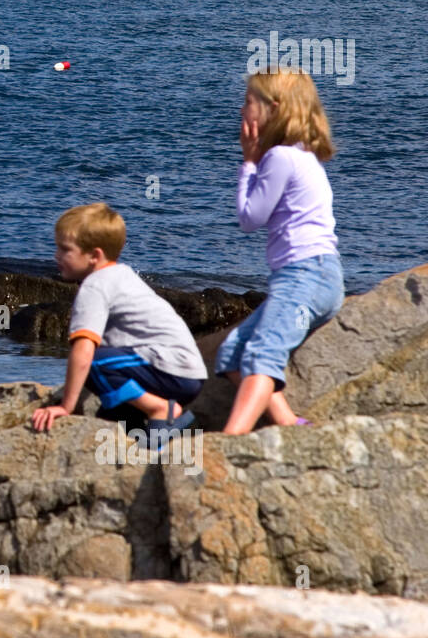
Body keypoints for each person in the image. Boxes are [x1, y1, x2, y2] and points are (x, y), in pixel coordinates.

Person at [218, 68, 345, 434]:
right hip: (316, 275)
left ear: (273, 108)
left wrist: (249, 162)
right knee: (231, 355)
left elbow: (249, 217)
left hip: (305, 274)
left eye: (248, 102)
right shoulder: (304, 155)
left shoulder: (278, 159)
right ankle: (289, 423)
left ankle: (232, 438)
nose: (242, 110)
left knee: (261, 353)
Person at [31, 203, 207, 448]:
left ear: (94, 255)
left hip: (168, 371)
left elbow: (83, 353)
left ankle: (159, 409)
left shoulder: (95, 285)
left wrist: (65, 406)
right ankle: (153, 441)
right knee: (111, 412)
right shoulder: (123, 276)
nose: (56, 256)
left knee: (92, 362)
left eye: (65, 249)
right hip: (186, 374)